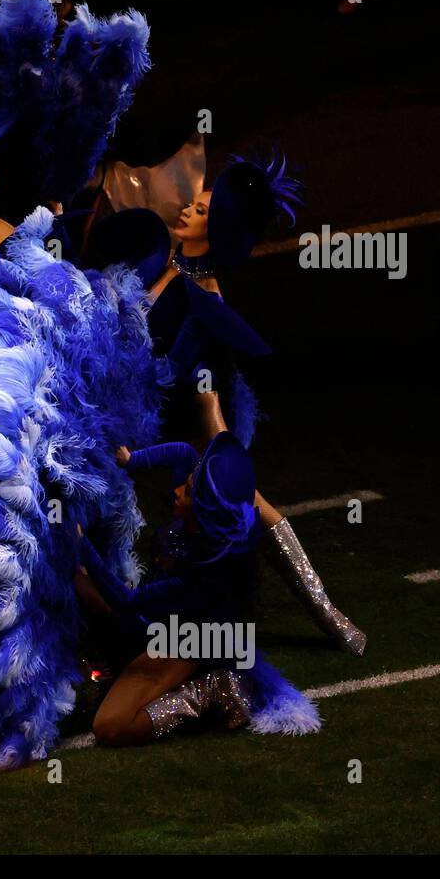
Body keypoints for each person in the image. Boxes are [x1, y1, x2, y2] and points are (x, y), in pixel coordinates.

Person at [90, 156, 366, 656]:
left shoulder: (204, 303)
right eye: (193, 203)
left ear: (217, 231)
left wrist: (220, 454)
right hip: (136, 412)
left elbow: (206, 395)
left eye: (199, 211)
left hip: (175, 421)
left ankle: (324, 609)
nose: (186, 211)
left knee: (242, 502)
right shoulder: (163, 262)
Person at [79, 432, 320, 745]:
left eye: (188, 490)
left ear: (203, 513)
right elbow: (183, 452)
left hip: (191, 641)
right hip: (161, 621)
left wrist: (80, 542)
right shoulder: (202, 512)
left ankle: (211, 687)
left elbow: (128, 600)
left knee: (111, 726)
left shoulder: (203, 575)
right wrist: (131, 460)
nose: (177, 489)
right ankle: (120, 654)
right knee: (83, 582)